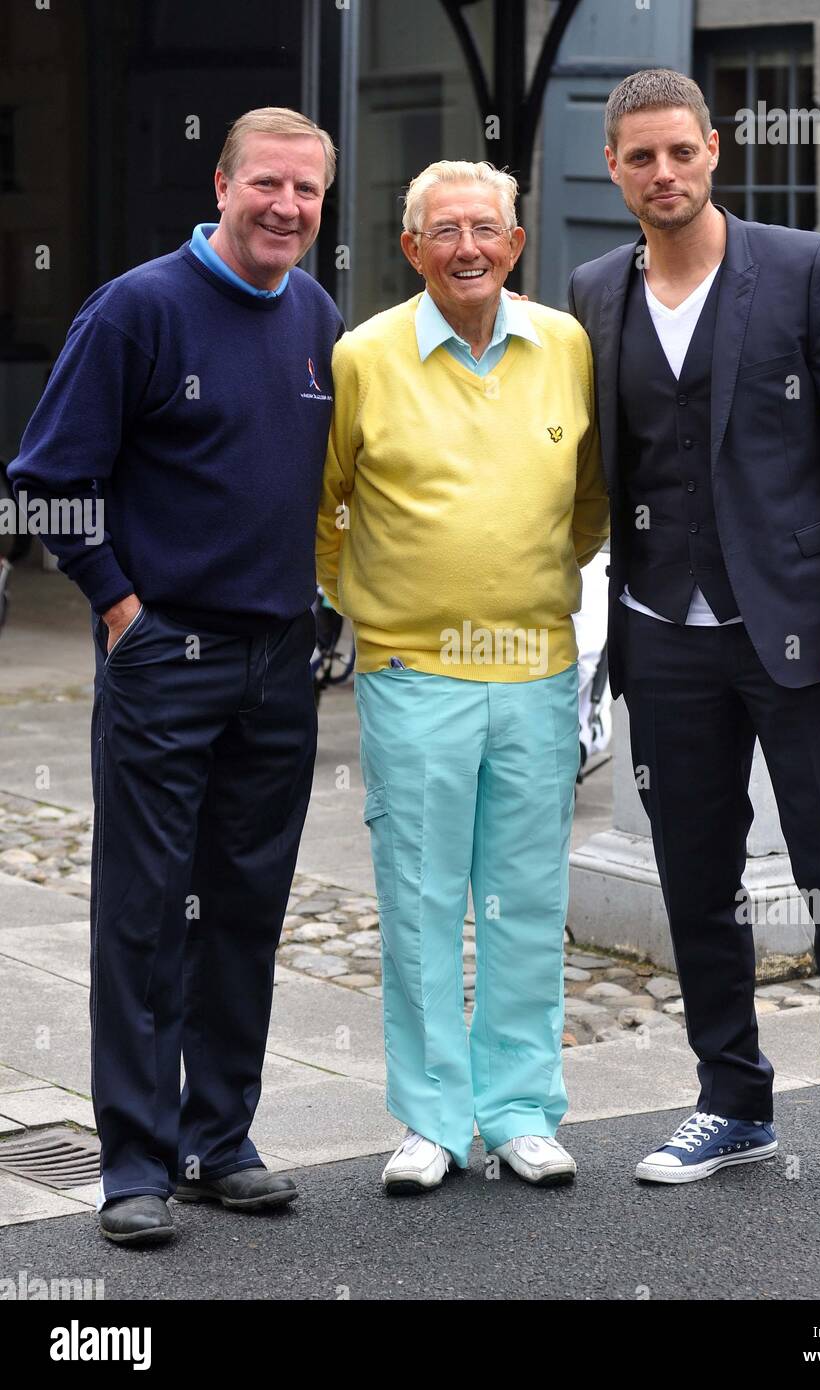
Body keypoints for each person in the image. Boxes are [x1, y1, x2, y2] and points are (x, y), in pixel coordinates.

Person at [569, 69, 820, 1203]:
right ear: (612, 168)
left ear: (712, 150)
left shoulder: (804, 268)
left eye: (679, 152)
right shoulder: (590, 291)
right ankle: (732, 1099)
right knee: (694, 879)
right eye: (639, 158)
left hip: (808, 633)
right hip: (662, 632)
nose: (662, 174)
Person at [9, 107, 343, 1245]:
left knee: (245, 907)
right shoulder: (139, 307)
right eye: (267, 184)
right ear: (221, 183)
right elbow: (45, 481)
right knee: (147, 914)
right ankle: (135, 1163)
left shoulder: (315, 316)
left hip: (277, 664)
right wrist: (122, 607)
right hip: (167, 661)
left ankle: (220, 1137)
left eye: (306, 191)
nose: (286, 207)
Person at [316, 160, 608, 1193]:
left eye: (485, 228)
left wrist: (524, 586)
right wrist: (375, 610)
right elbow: (330, 500)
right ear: (410, 249)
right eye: (443, 232)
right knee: (421, 896)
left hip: (534, 667)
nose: (467, 248)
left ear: (516, 244)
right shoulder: (363, 356)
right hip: (413, 672)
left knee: (527, 898)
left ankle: (522, 1109)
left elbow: (589, 501)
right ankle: (434, 1119)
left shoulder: (565, 346)